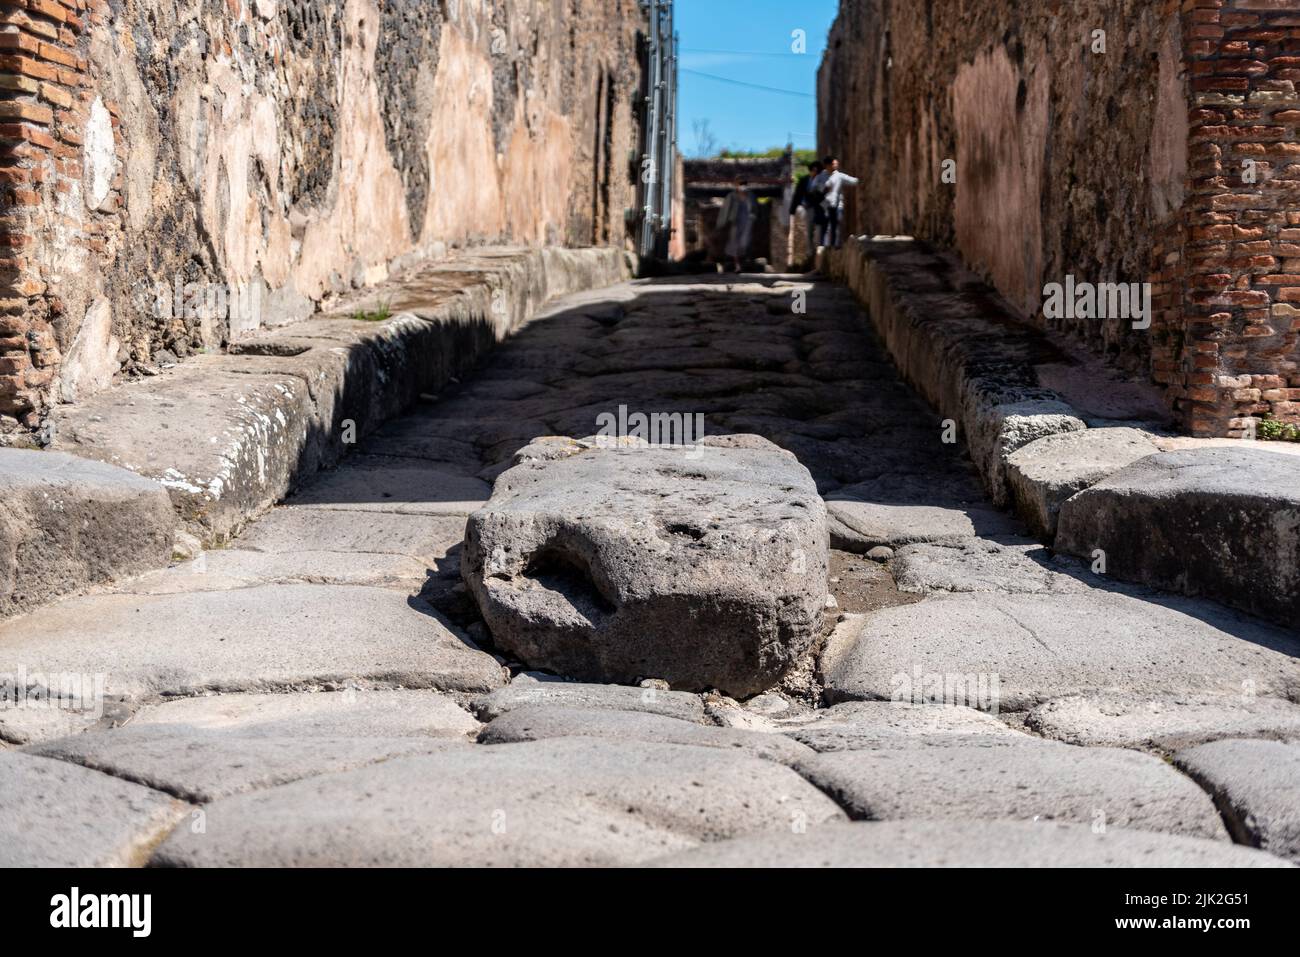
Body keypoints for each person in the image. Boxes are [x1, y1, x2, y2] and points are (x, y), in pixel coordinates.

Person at [811, 155, 859, 248]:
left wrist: (860, 179)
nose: (836, 165)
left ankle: (834, 245)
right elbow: (813, 187)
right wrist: (822, 188)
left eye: (836, 163)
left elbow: (853, 181)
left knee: (836, 224)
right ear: (827, 165)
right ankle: (823, 246)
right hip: (824, 205)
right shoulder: (820, 176)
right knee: (825, 225)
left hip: (837, 205)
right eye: (833, 164)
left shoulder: (839, 176)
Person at [717, 176, 758, 272]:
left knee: (745, 242)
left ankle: (744, 262)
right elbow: (725, 210)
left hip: (747, 222)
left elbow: (755, 208)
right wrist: (722, 223)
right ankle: (737, 265)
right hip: (735, 222)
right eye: (740, 184)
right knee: (734, 242)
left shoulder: (751, 195)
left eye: (744, 184)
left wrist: (754, 216)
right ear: (736, 185)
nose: (742, 186)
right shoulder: (731, 196)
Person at [789, 161, 824, 262]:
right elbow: (797, 195)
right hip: (808, 208)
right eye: (813, 171)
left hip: (819, 208)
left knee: (819, 230)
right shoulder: (804, 180)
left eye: (817, 171)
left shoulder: (822, 181)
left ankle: (818, 251)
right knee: (809, 230)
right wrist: (792, 209)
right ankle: (810, 253)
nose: (815, 173)